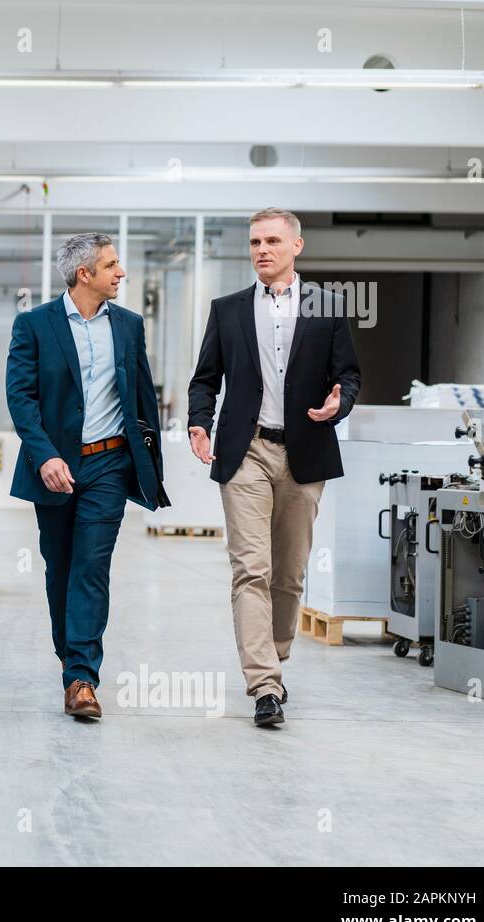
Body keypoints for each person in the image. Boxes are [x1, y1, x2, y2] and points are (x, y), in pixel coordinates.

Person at [187, 207, 362, 727]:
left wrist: (339, 404)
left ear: (296, 247)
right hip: (247, 451)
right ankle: (264, 682)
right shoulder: (228, 309)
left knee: (288, 574)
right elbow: (205, 378)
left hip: (305, 453)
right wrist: (200, 422)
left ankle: (276, 655)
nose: (261, 250)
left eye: (271, 241)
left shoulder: (328, 308)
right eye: (255, 242)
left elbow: (348, 377)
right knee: (251, 569)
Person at [6, 233, 167, 720]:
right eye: (112, 265)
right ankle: (69, 658)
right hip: (55, 465)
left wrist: (148, 460)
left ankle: (82, 678)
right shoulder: (34, 325)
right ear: (84, 274)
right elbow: (21, 398)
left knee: (91, 568)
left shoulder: (129, 325)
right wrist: (45, 456)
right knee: (60, 568)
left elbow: (141, 395)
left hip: (109, 464)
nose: (121, 273)